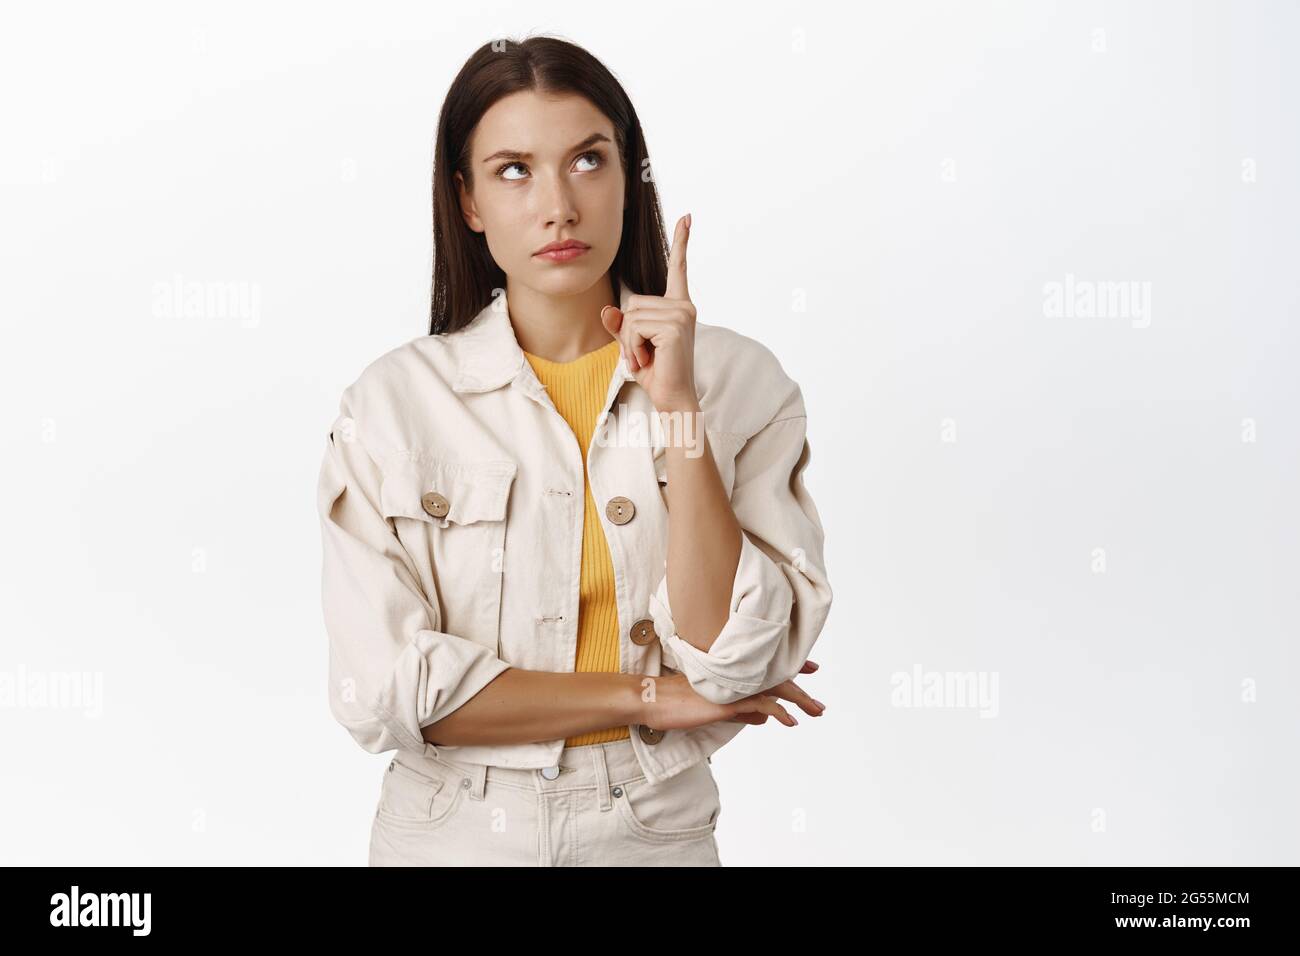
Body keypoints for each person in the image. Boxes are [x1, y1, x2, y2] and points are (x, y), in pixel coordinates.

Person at [316, 35, 833, 866]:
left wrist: (678, 412)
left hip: (651, 826)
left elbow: (733, 658)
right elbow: (390, 690)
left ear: (630, 176)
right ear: (469, 200)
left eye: (588, 161)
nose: (558, 204)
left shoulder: (739, 383)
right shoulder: (392, 404)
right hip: (450, 828)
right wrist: (649, 697)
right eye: (514, 169)